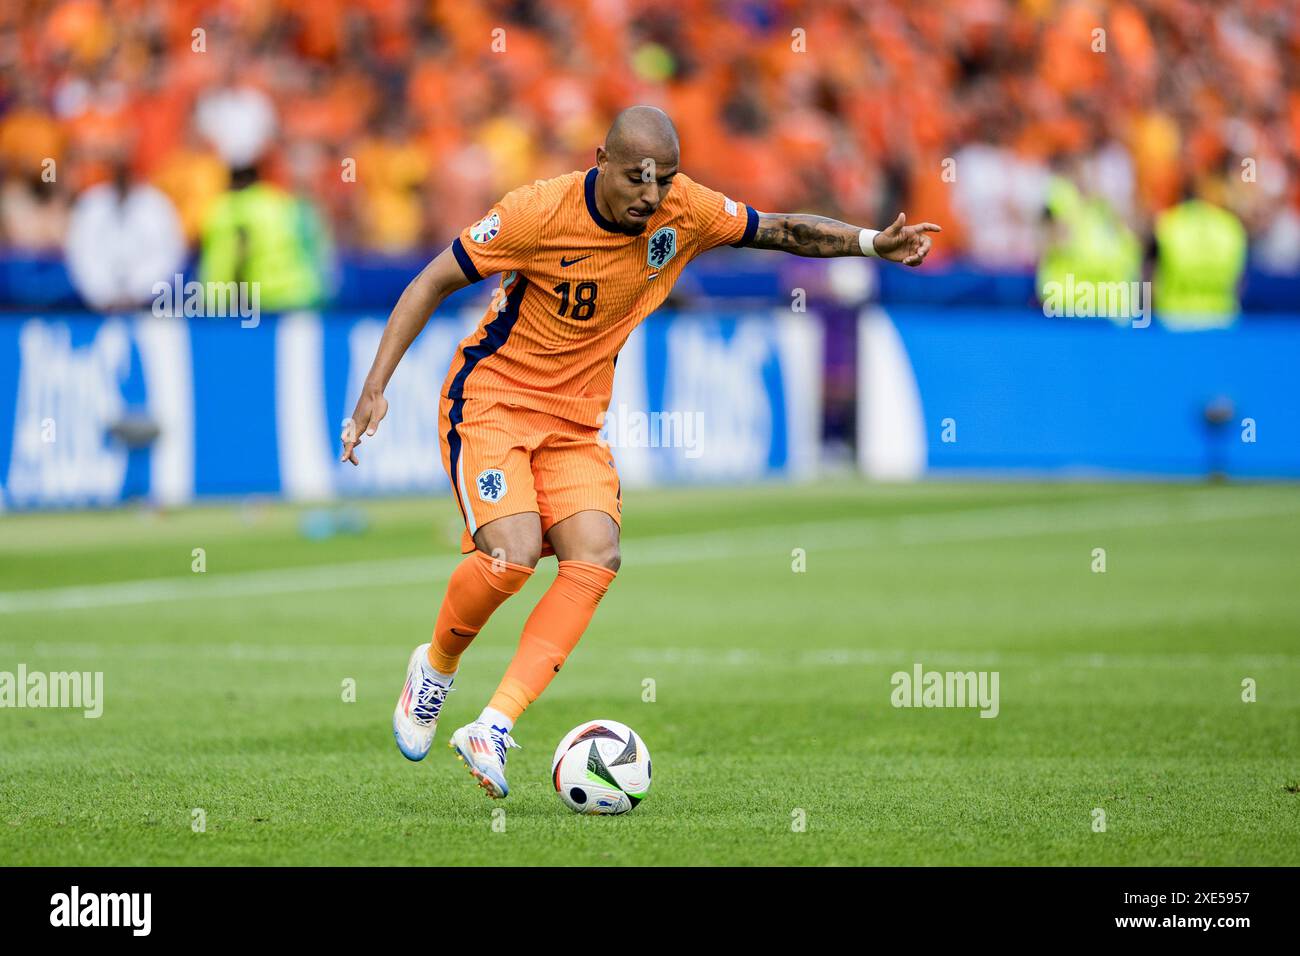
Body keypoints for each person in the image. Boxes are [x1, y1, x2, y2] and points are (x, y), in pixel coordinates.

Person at [342, 106, 940, 798]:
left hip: (575, 422)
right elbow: (432, 281)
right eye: (636, 179)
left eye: (664, 181)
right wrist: (374, 390)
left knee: (596, 553)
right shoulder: (535, 212)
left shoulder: (685, 210)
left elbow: (781, 230)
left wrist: (872, 243)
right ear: (601, 160)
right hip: (493, 400)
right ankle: (436, 670)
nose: (651, 197)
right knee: (510, 556)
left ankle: (494, 728)